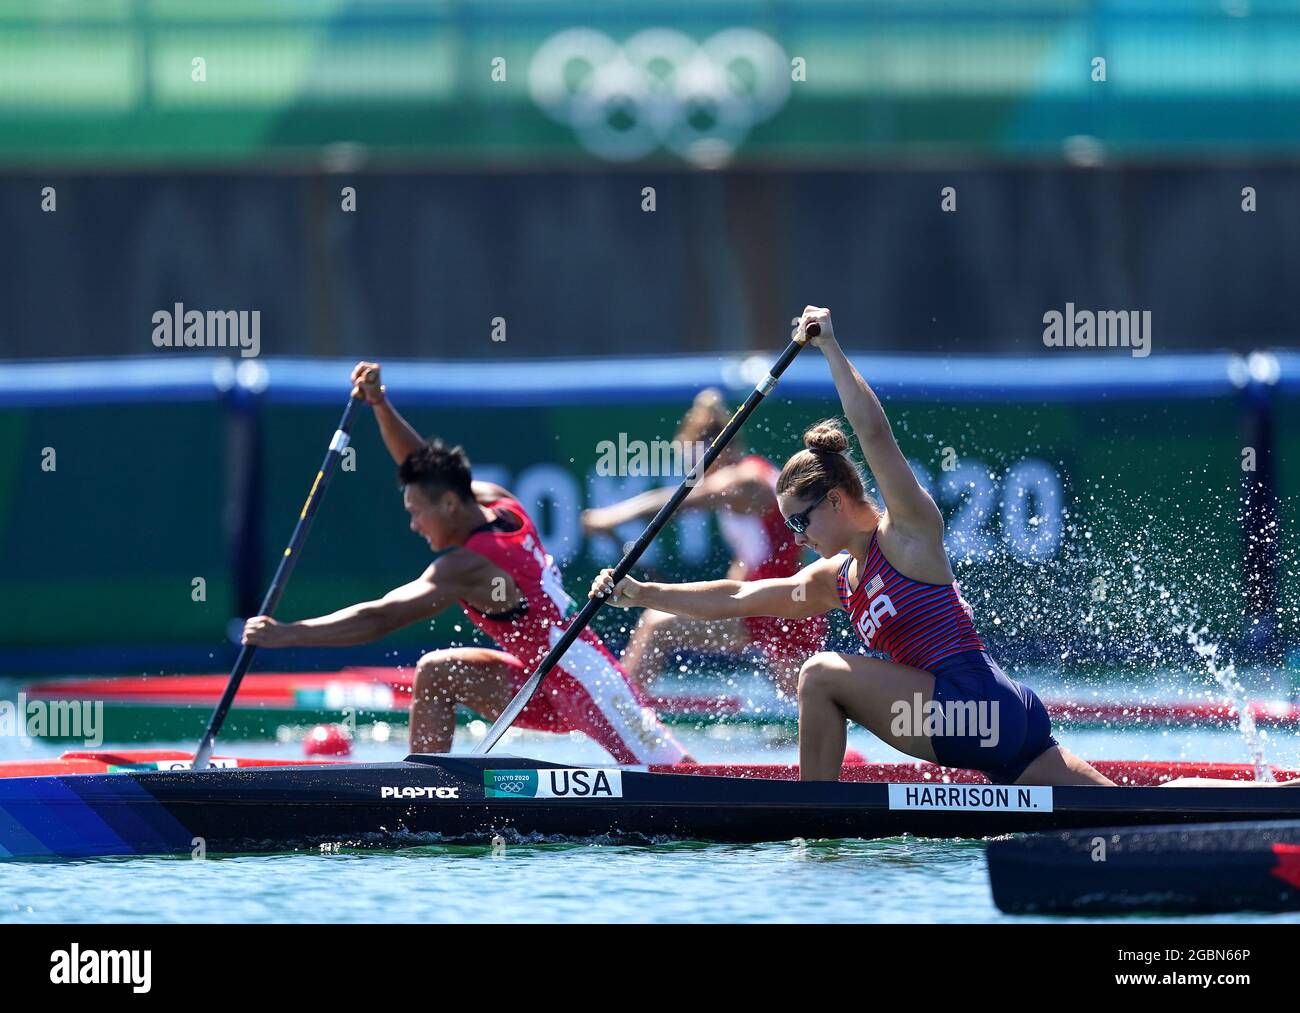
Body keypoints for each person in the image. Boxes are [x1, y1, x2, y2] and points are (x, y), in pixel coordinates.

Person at [590, 305, 1114, 785]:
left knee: (819, 674)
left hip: (975, 710)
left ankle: (811, 817)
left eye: (801, 522)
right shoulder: (837, 579)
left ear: (837, 501)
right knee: (1125, 813)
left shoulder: (907, 534)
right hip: (1005, 723)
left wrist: (830, 349)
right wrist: (640, 593)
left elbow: (875, 436)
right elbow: (737, 598)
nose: (798, 537)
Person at [242, 362, 690, 766]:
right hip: (541, 683)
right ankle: (422, 793)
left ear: (451, 505)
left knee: (682, 777)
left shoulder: (468, 565)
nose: (414, 525)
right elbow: (424, 468)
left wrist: (287, 634)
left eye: (416, 512)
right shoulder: (498, 502)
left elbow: (383, 616)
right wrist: (379, 403)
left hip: (584, 677)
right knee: (438, 673)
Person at [581, 388, 827, 697]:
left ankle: (619, 709)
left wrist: (610, 517)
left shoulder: (743, 481)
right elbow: (754, 557)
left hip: (777, 609)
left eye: (695, 462)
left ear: (717, 450)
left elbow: (675, 503)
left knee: (656, 625)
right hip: (781, 607)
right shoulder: (748, 478)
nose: (694, 472)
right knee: (797, 710)